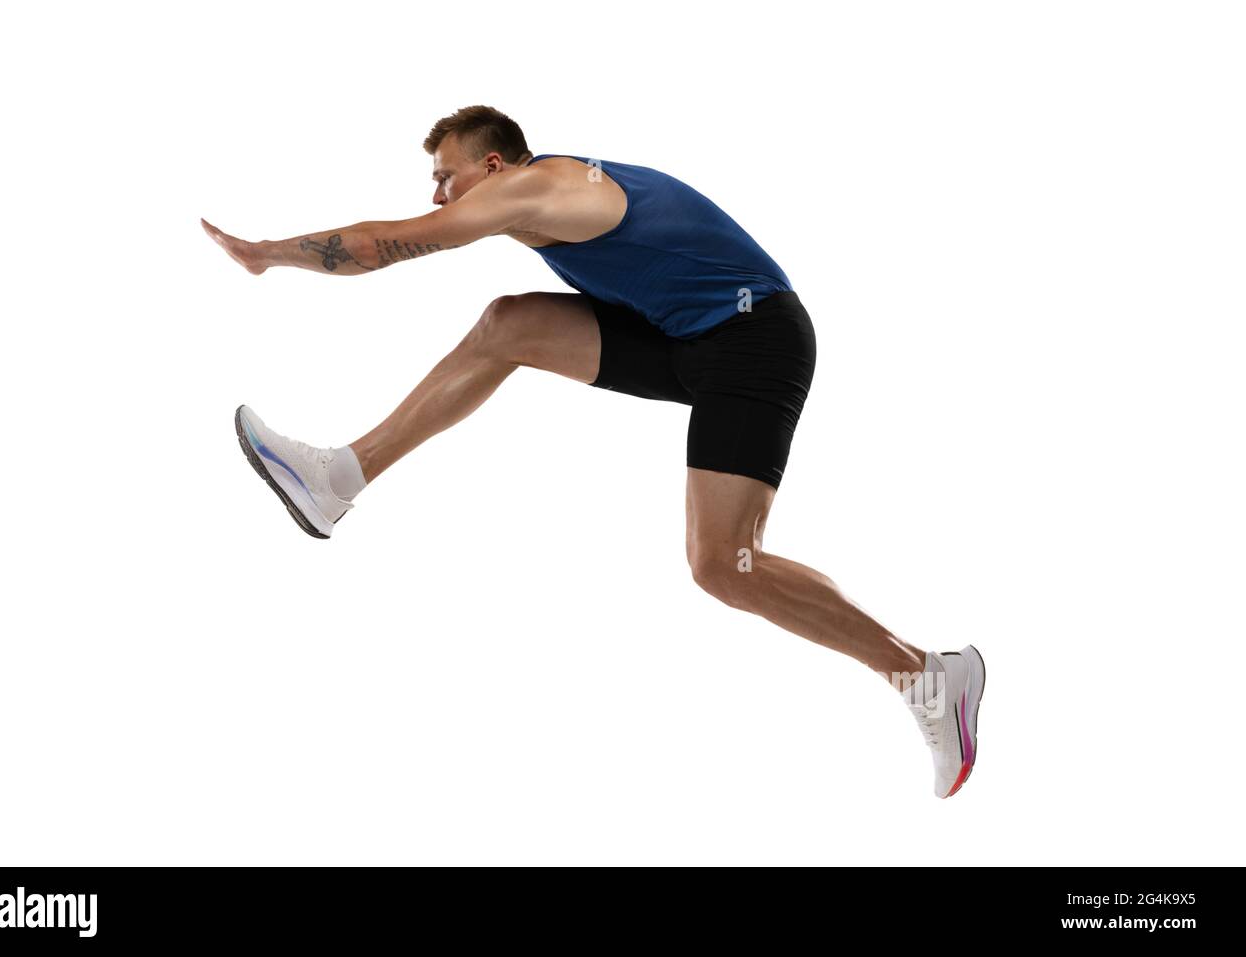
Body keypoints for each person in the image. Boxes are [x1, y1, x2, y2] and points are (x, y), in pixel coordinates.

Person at [202, 105, 985, 798]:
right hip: (686, 336)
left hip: (755, 340)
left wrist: (267, 251)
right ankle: (335, 478)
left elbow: (382, 245)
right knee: (508, 324)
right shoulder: (539, 195)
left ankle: (924, 674)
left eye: (445, 176)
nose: (438, 195)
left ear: (493, 165)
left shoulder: (536, 189)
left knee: (724, 565)